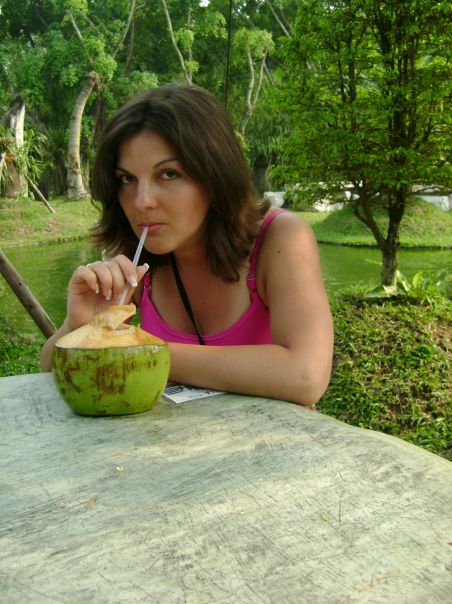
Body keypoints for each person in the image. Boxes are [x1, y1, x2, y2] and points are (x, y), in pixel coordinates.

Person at [41, 83, 333, 406]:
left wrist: (133, 348)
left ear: (215, 175)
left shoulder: (279, 239)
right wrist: (82, 327)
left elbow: (305, 375)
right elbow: (48, 368)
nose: (141, 201)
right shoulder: (133, 259)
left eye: (168, 174)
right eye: (127, 179)